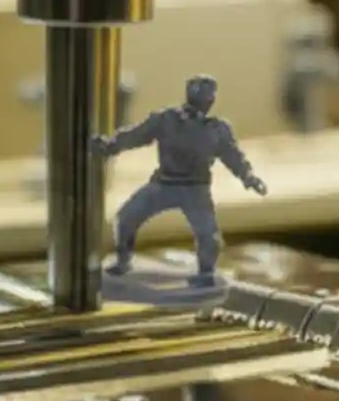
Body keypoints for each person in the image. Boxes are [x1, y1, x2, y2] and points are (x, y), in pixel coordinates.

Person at [91, 75, 267, 287]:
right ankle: (123, 261)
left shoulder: (217, 129)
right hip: (163, 183)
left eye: (208, 93)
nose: (205, 98)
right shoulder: (166, 119)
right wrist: (111, 146)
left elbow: (233, 156)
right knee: (126, 218)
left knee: (208, 236)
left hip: (196, 189)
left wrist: (248, 177)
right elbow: (137, 135)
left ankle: (205, 273)